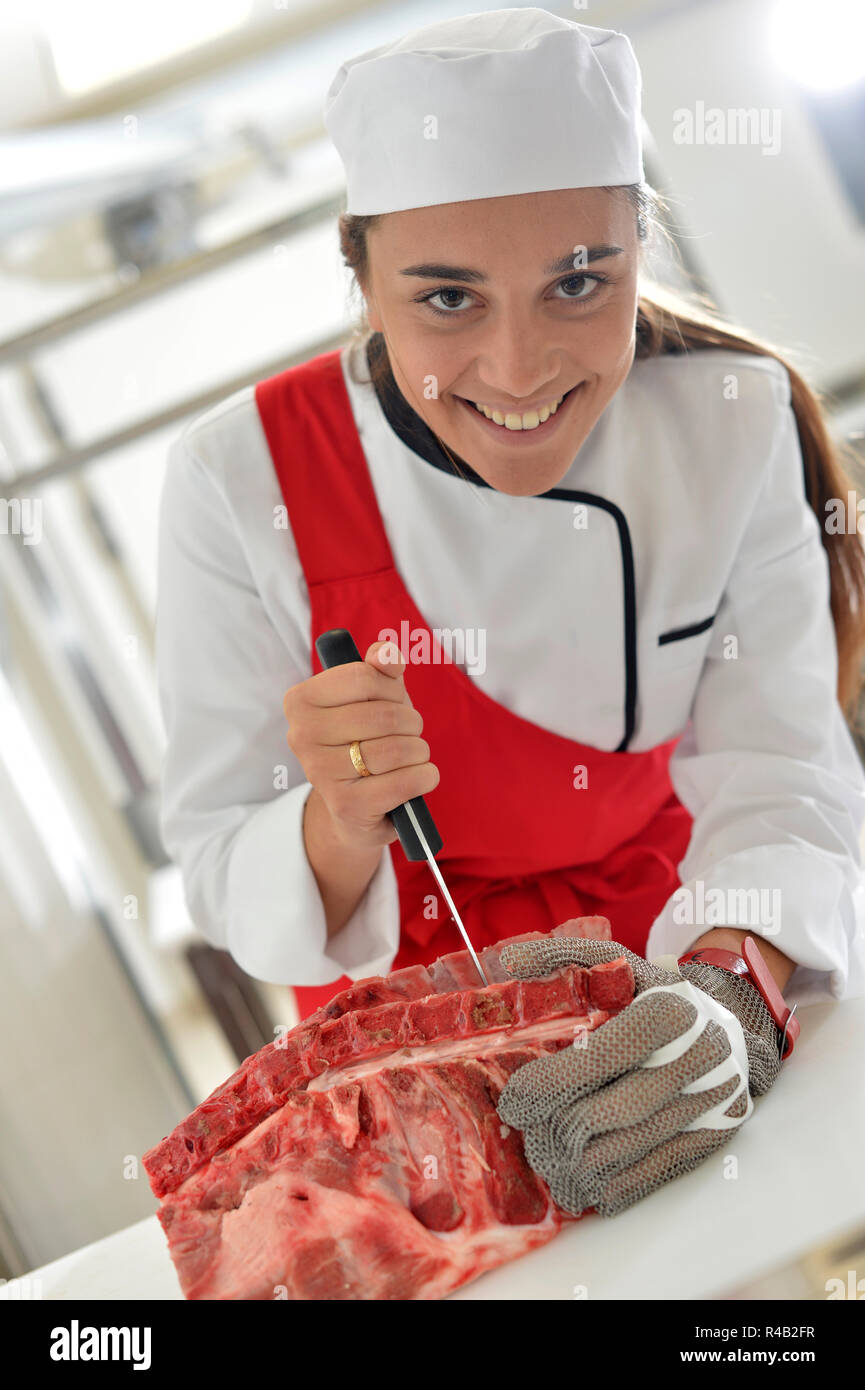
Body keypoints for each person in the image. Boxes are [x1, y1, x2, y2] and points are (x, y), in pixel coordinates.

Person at [156, 9, 865, 1214]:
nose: (522, 367)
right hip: (407, 1049)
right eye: (446, 300)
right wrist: (337, 818)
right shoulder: (243, 480)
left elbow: (782, 769)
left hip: (670, 979)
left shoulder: (728, 421)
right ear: (362, 278)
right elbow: (223, 865)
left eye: (579, 281)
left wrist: (732, 993)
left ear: (643, 245)